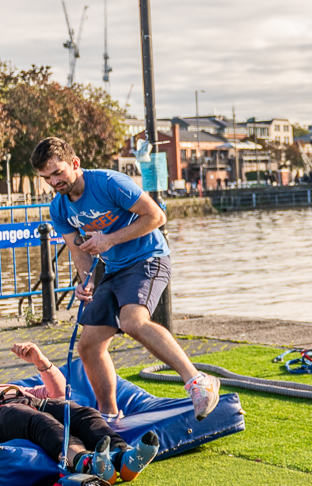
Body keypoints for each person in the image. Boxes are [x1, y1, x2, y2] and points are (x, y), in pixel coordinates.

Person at [35, 137, 219, 423]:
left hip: (148, 258)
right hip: (113, 269)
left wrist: (109, 239)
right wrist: (86, 282)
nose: (53, 182)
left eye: (58, 173)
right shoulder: (59, 208)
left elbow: (156, 216)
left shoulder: (109, 183)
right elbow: (77, 250)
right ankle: (109, 416)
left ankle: (198, 381)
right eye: (46, 178)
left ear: (74, 163)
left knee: (133, 321)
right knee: (88, 346)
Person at [0, 330, 159, 482]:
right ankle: (83, 461)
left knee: (80, 412)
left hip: (26, 401)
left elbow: (58, 393)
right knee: (38, 421)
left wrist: (39, 360)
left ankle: (123, 456)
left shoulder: (4, 387)